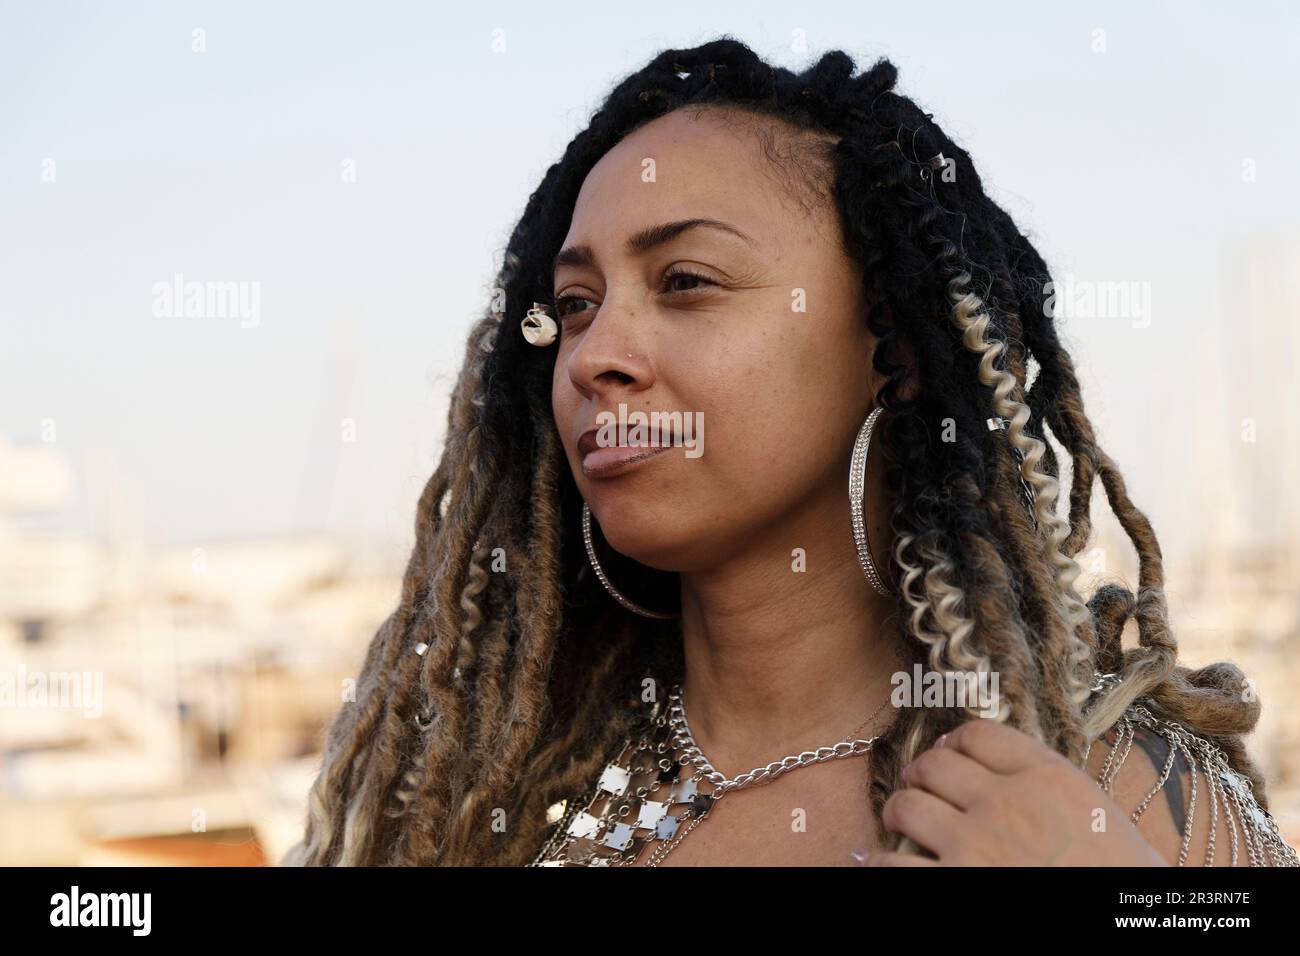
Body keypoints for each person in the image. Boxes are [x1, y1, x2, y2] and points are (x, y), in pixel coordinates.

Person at [284, 37, 1298, 867]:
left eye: (685, 280)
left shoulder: (1097, 792)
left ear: (892, 352)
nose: (597, 355)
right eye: (575, 306)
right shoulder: (481, 806)